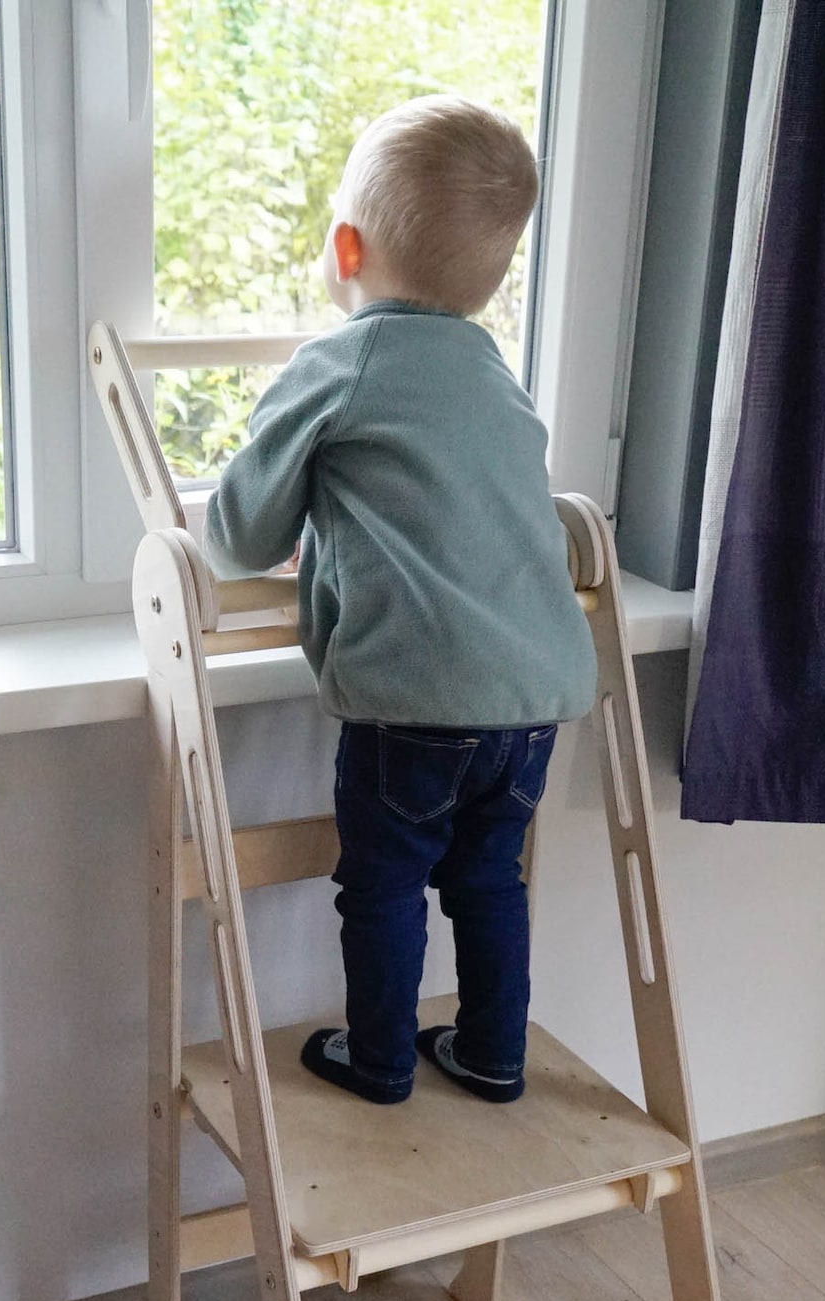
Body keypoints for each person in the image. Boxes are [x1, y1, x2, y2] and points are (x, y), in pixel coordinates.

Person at [204, 95, 596, 1106]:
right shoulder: (493, 373)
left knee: (381, 884)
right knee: (487, 878)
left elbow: (241, 534)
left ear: (345, 247)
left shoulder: (342, 361)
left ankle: (379, 1057)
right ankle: (493, 1055)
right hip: (532, 702)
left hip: (415, 700)